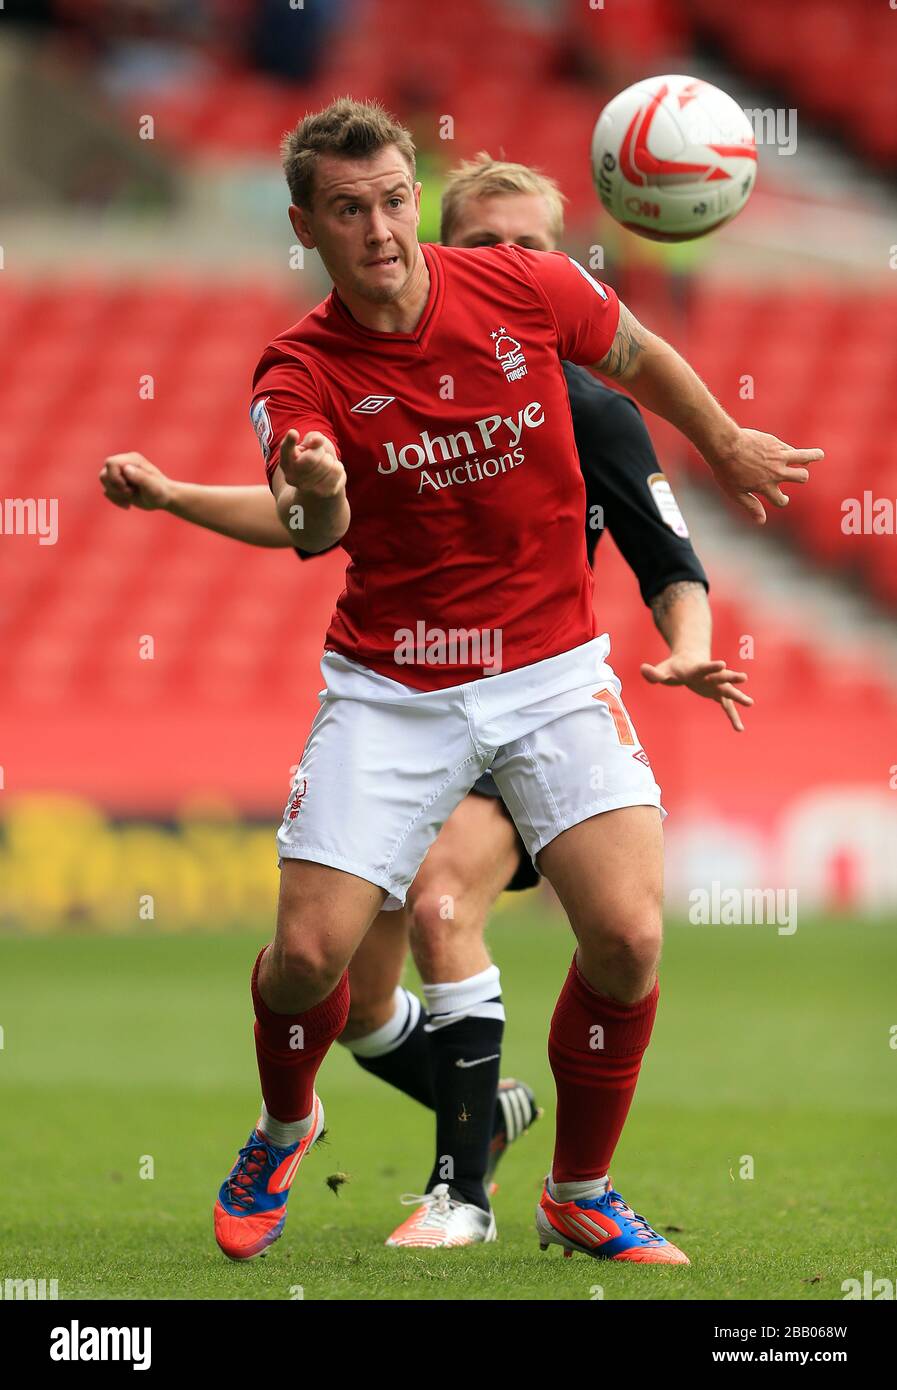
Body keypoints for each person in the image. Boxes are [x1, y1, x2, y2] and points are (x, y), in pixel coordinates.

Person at [103, 100, 819, 1265]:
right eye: (349, 210)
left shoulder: (521, 291)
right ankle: (289, 1123)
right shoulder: (298, 369)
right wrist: (319, 483)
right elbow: (309, 523)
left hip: (549, 671)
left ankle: (575, 1188)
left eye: (391, 198)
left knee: (630, 938)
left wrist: (728, 440)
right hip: (394, 684)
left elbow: (639, 352)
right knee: (305, 961)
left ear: (410, 193)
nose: (380, 229)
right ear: (307, 224)